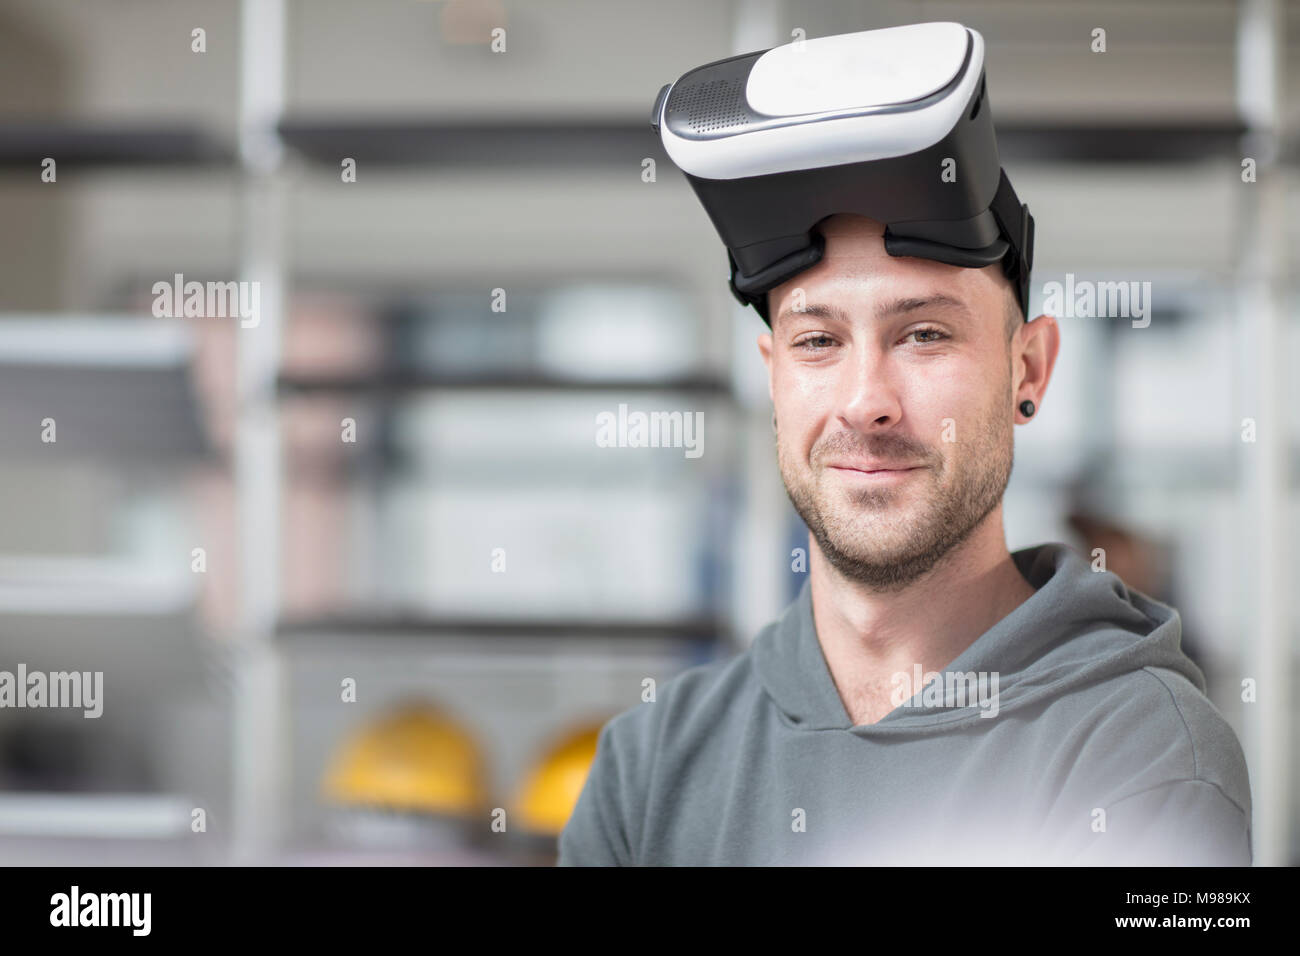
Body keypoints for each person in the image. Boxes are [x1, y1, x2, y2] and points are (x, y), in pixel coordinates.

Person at [557, 212, 1251, 866]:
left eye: (924, 334)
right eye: (818, 341)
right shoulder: (648, 765)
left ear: (1028, 369)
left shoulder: (1145, 751)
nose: (866, 402)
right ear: (773, 375)